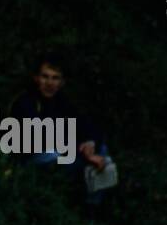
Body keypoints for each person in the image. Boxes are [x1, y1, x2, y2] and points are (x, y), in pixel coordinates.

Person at [9, 53, 115, 213]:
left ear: (61, 82)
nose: (49, 83)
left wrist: (89, 143)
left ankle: (92, 208)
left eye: (55, 78)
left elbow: (88, 126)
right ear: (36, 78)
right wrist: (80, 150)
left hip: (63, 151)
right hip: (32, 157)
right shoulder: (25, 102)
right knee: (58, 156)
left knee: (102, 152)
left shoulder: (62, 102)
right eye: (45, 77)